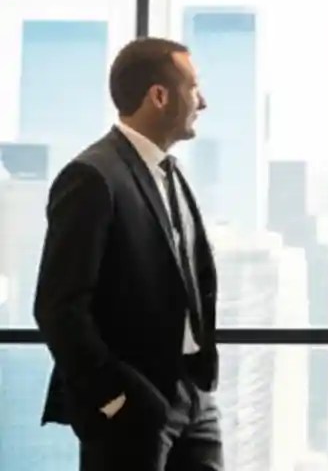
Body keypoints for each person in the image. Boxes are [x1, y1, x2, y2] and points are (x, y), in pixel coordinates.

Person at [33, 37, 222, 471]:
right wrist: (114, 397)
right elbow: (58, 307)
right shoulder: (92, 176)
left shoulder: (171, 173)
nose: (203, 102)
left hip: (195, 396)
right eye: (194, 88)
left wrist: (200, 388)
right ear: (159, 96)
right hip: (132, 404)